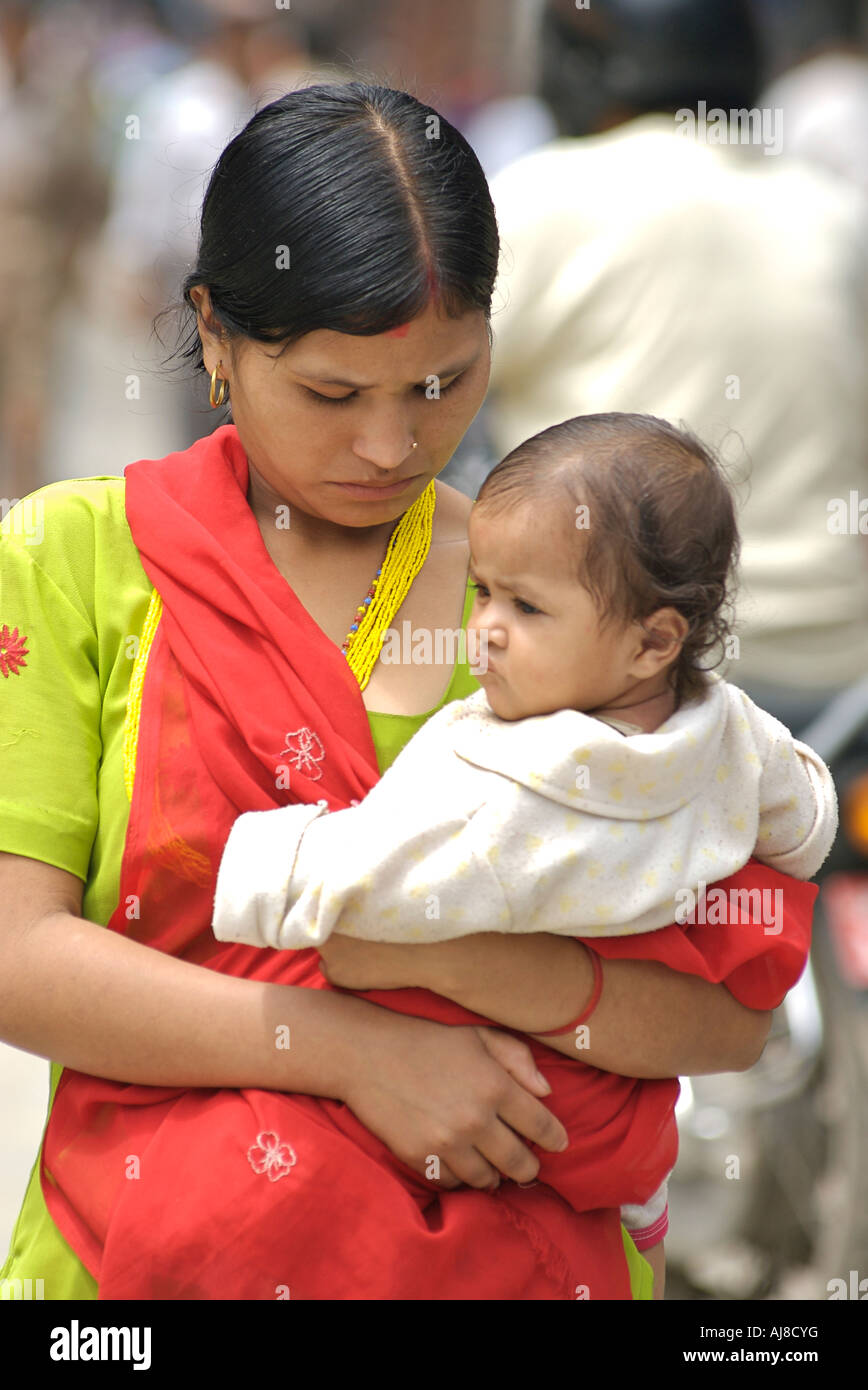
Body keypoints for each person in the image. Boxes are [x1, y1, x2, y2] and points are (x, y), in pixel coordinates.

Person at [0, 84, 807, 1301]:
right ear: (214, 336)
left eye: (442, 384)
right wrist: (345, 1049)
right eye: (333, 394)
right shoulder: (77, 558)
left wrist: (487, 988)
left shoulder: (558, 596)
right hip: (146, 1267)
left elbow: (729, 1014)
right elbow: (17, 954)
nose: (391, 446)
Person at [211, 410, 834, 1288]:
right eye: (483, 593)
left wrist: (270, 874)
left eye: (527, 607)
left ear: (653, 639)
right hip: (633, 1088)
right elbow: (802, 811)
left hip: (530, 1102)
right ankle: (644, 1213)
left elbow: (396, 878)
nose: (488, 631)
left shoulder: (532, 786)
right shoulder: (724, 726)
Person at [484, 0, 868, 726]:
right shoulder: (838, 217)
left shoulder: (549, 190)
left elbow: (416, 381)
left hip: (624, 670)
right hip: (834, 674)